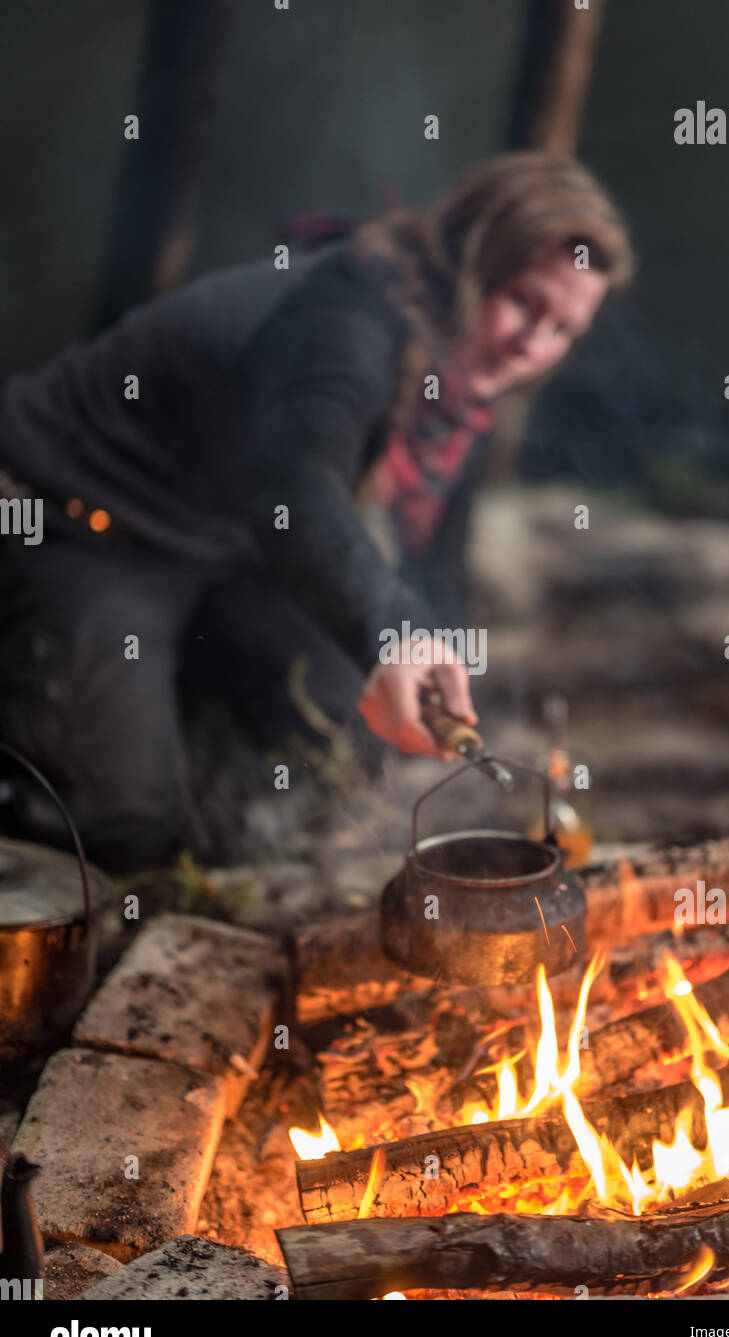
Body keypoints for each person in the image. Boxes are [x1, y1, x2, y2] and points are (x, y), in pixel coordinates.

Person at [0, 151, 633, 873]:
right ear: (467, 259)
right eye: (523, 301)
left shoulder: (452, 386)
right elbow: (299, 488)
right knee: (122, 819)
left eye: (562, 331)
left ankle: (173, 776)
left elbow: (432, 570)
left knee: (342, 723)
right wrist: (395, 635)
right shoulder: (342, 321)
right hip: (73, 521)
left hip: (215, 549)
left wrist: (449, 677)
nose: (532, 346)